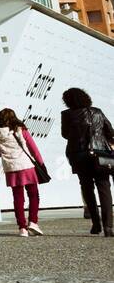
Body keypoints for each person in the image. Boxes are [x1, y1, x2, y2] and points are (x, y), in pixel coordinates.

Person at [60, 87, 114, 237]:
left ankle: (96, 225)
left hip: (78, 154)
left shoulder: (66, 114)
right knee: (104, 187)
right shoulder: (97, 112)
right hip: (100, 154)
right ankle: (108, 227)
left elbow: (65, 134)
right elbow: (110, 131)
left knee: (87, 188)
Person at [0, 108, 46, 236]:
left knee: (18, 198)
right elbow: (33, 149)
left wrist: (5, 150)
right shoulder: (21, 129)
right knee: (33, 195)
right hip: (26, 166)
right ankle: (33, 222)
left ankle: (22, 228)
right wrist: (41, 163)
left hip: (11, 168)